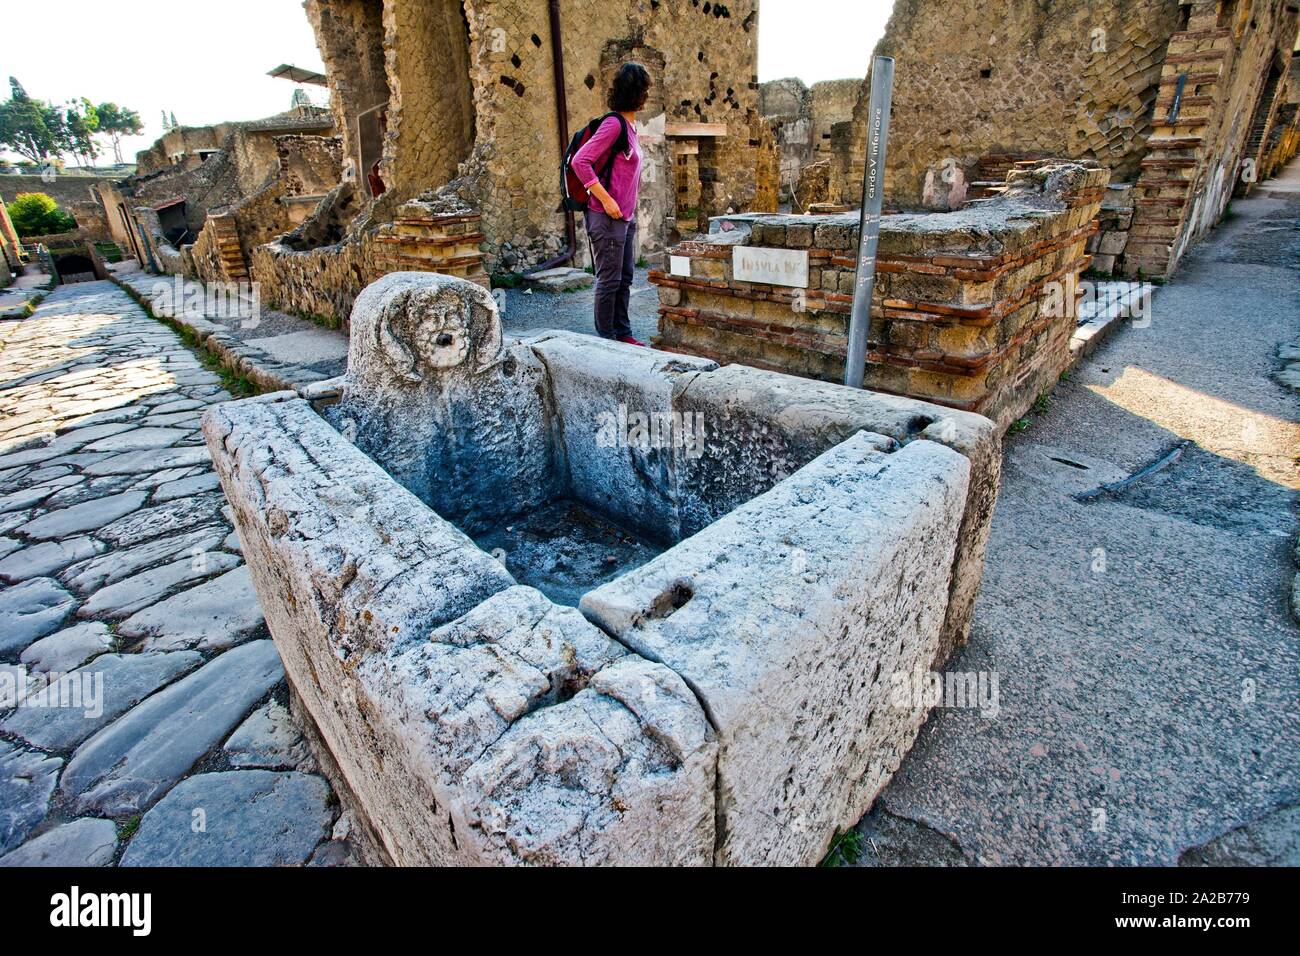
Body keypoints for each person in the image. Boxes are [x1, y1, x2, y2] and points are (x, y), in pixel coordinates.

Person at [570, 62, 650, 345]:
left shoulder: (630, 127)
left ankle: (623, 333)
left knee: (625, 277)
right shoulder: (613, 124)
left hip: (624, 218)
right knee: (609, 281)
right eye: (645, 89)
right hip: (606, 216)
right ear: (638, 93)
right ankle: (607, 341)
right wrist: (606, 200)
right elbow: (580, 161)